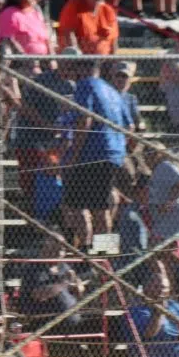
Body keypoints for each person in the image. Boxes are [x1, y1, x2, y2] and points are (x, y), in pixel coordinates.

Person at [62, 58, 132, 250]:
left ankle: (87, 250)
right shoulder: (112, 90)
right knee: (100, 206)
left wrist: (73, 156)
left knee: (76, 206)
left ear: (83, 68)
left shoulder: (85, 85)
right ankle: (103, 253)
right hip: (113, 153)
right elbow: (129, 126)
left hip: (92, 153)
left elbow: (85, 120)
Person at [130, 266, 179, 357]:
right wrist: (159, 313)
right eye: (156, 286)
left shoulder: (173, 304)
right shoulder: (138, 309)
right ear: (145, 288)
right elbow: (149, 334)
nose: (161, 290)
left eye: (164, 287)